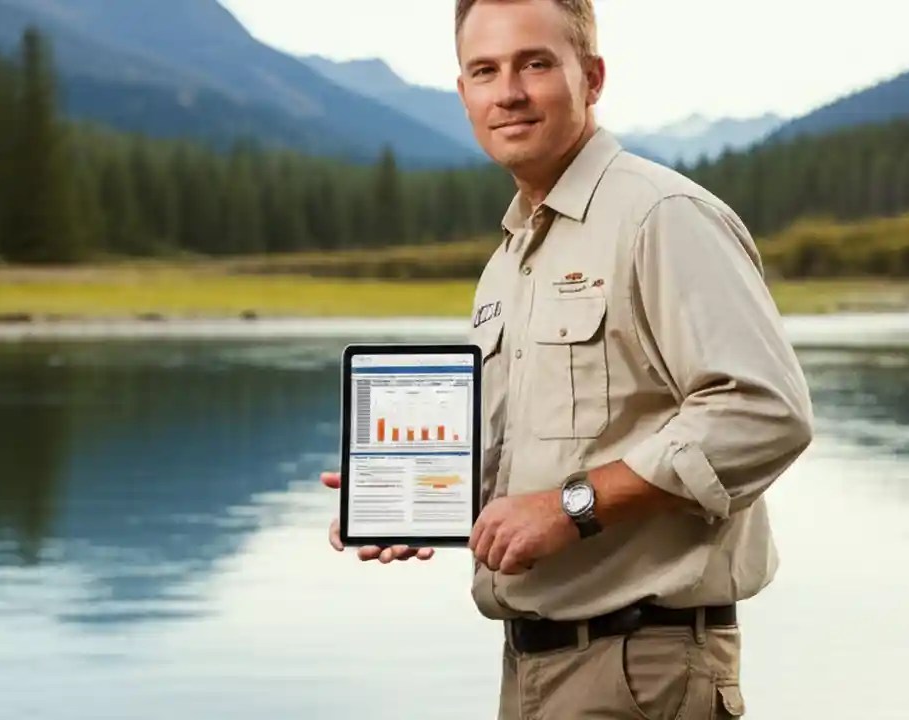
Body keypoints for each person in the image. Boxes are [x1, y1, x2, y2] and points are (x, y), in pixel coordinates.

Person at [322, 0, 815, 717]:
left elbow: (765, 411)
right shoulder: (508, 262)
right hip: (531, 671)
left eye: (535, 64)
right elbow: (531, 460)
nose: (509, 92)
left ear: (592, 76)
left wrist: (571, 505)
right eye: (485, 71)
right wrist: (410, 500)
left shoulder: (660, 215)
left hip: (639, 671)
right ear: (464, 95)